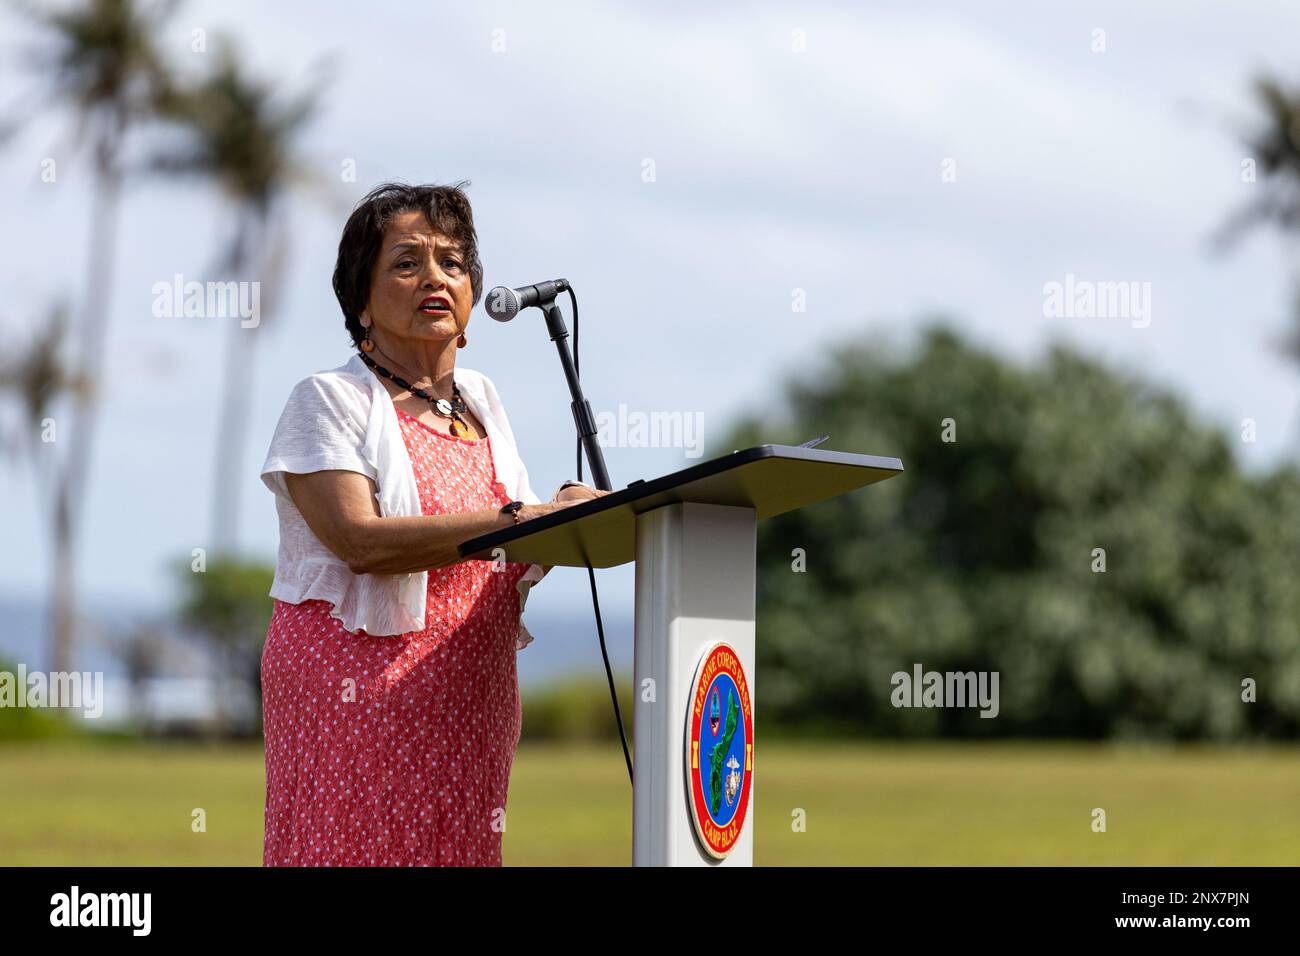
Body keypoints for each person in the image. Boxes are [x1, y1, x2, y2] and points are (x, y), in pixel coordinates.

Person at [257, 181, 607, 866]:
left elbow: (510, 544)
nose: (435, 277)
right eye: (406, 262)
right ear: (361, 298)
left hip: (469, 694)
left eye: (452, 261)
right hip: (357, 694)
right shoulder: (328, 400)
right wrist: (523, 518)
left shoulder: (482, 399)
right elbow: (359, 541)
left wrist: (571, 518)